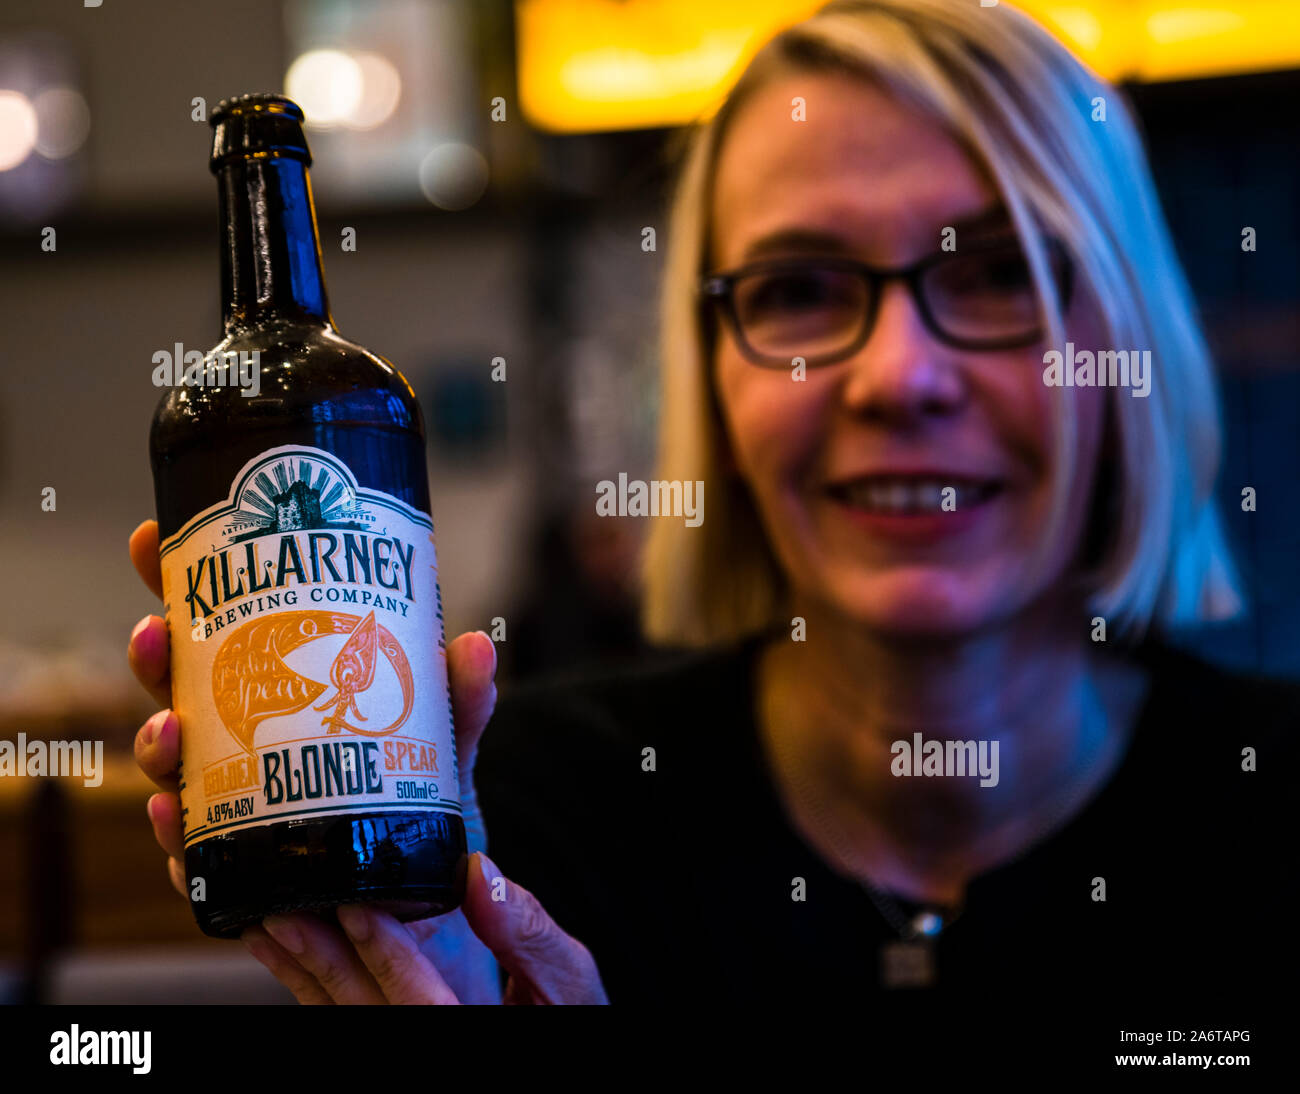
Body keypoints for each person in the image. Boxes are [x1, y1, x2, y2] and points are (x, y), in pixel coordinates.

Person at [128, 0, 1296, 1009]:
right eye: (797, 290)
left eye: (997, 273)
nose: (898, 376)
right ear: (712, 383)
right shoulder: (516, 835)